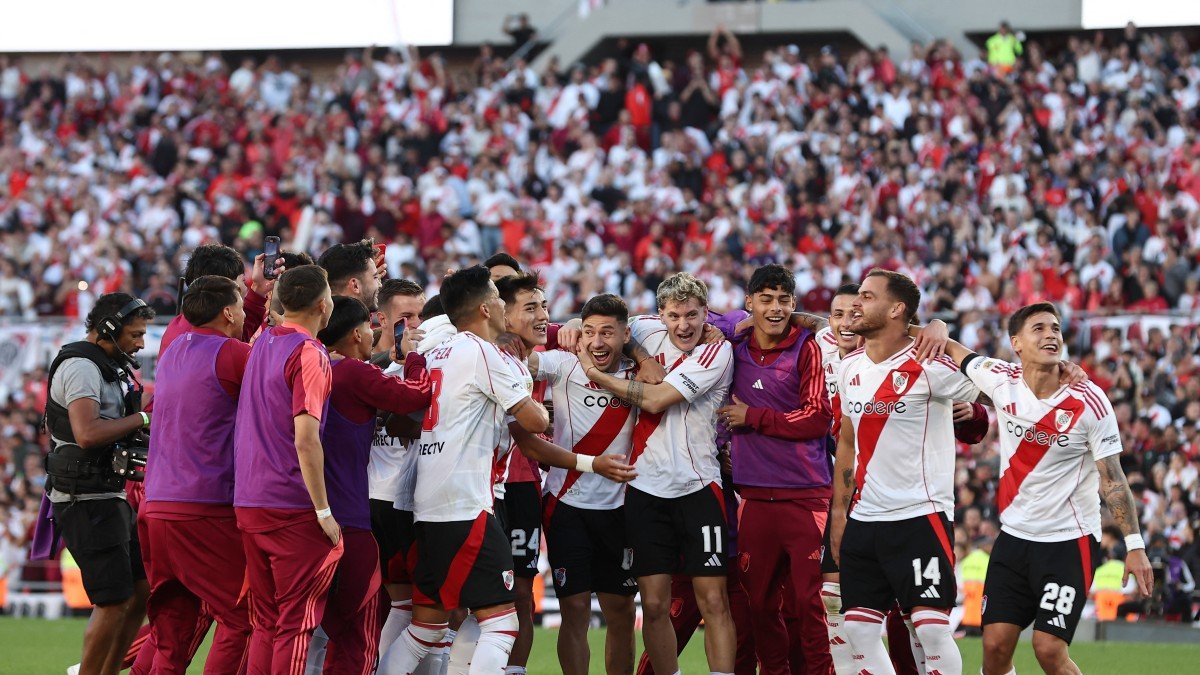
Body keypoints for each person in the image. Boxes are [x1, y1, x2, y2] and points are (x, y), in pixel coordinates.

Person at [935, 302, 1154, 675]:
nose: (1051, 334)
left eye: (1055, 328)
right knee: (994, 647)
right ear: (1016, 343)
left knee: (1049, 649)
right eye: (1039, 329)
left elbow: (1113, 479)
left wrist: (1135, 546)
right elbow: (959, 352)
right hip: (1014, 539)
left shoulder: (1090, 401)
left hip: (1068, 542)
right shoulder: (1000, 379)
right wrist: (938, 325)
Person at [380, 266, 550, 675]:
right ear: (486, 307)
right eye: (496, 294)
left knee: (427, 626)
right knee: (501, 623)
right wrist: (531, 395)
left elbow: (400, 420)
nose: (499, 301)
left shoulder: (435, 352)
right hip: (465, 503)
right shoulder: (482, 351)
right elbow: (536, 422)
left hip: (426, 502)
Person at [816, 284, 988, 675]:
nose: (856, 303)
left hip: (919, 516)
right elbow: (846, 441)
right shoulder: (850, 366)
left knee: (930, 630)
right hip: (865, 518)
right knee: (858, 630)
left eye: (867, 296)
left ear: (897, 309)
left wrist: (940, 330)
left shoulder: (931, 362)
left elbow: (992, 382)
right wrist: (840, 513)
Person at [577, 271, 737, 675]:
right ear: (660, 314)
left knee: (713, 601)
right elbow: (609, 327)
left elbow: (656, 400)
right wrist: (639, 354)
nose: (683, 325)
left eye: (692, 315)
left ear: (706, 314)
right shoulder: (645, 331)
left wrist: (597, 376)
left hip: (700, 488)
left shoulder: (717, 352)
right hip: (645, 489)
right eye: (674, 315)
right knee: (652, 604)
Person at [715, 264, 833, 675]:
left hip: (806, 496)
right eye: (766, 298)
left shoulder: (809, 347)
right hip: (752, 497)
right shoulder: (732, 345)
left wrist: (754, 417)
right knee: (760, 602)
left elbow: (818, 418)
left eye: (784, 299)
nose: (776, 307)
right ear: (750, 303)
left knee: (808, 602)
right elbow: (681, 317)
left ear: (794, 304)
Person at [139, 276, 254, 673]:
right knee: (244, 617)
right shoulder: (233, 353)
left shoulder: (172, 352)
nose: (243, 313)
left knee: (172, 632)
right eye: (240, 305)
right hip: (203, 505)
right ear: (227, 312)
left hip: (157, 507)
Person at [314, 295, 432, 675]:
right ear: (353, 334)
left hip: (311, 512)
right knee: (360, 633)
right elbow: (416, 395)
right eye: (368, 328)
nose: (374, 334)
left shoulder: (314, 366)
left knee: (313, 627)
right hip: (351, 516)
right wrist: (413, 357)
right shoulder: (354, 373)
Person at [234, 264, 341, 675]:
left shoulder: (262, 343)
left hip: (250, 500)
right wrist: (324, 511)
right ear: (322, 303)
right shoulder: (309, 353)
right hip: (291, 505)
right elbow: (306, 437)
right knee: (295, 625)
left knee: (265, 622)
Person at [43, 292, 155, 675]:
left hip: (108, 493)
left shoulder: (108, 366)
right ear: (109, 328)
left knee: (140, 590)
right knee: (112, 600)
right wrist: (142, 420)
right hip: (84, 497)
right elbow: (88, 433)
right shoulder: (81, 366)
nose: (141, 343)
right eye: (136, 334)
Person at [536, 293, 640, 675]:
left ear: (626, 334)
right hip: (567, 507)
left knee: (622, 612)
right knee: (574, 611)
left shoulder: (640, 372)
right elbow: (515, 353)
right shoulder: (563, 364)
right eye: (591, 331)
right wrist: (556, 331)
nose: (598, 342)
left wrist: (641, 355)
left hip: (621, 510)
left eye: (608, 333)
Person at [370, 279, 431, 659]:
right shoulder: (368, 369)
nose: (416, 325)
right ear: (381, 319)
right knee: (425, 611)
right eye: (406, 317)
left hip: (413, 502)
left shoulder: (427, 362)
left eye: (421, 315)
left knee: (411, 608)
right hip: (382, 503)